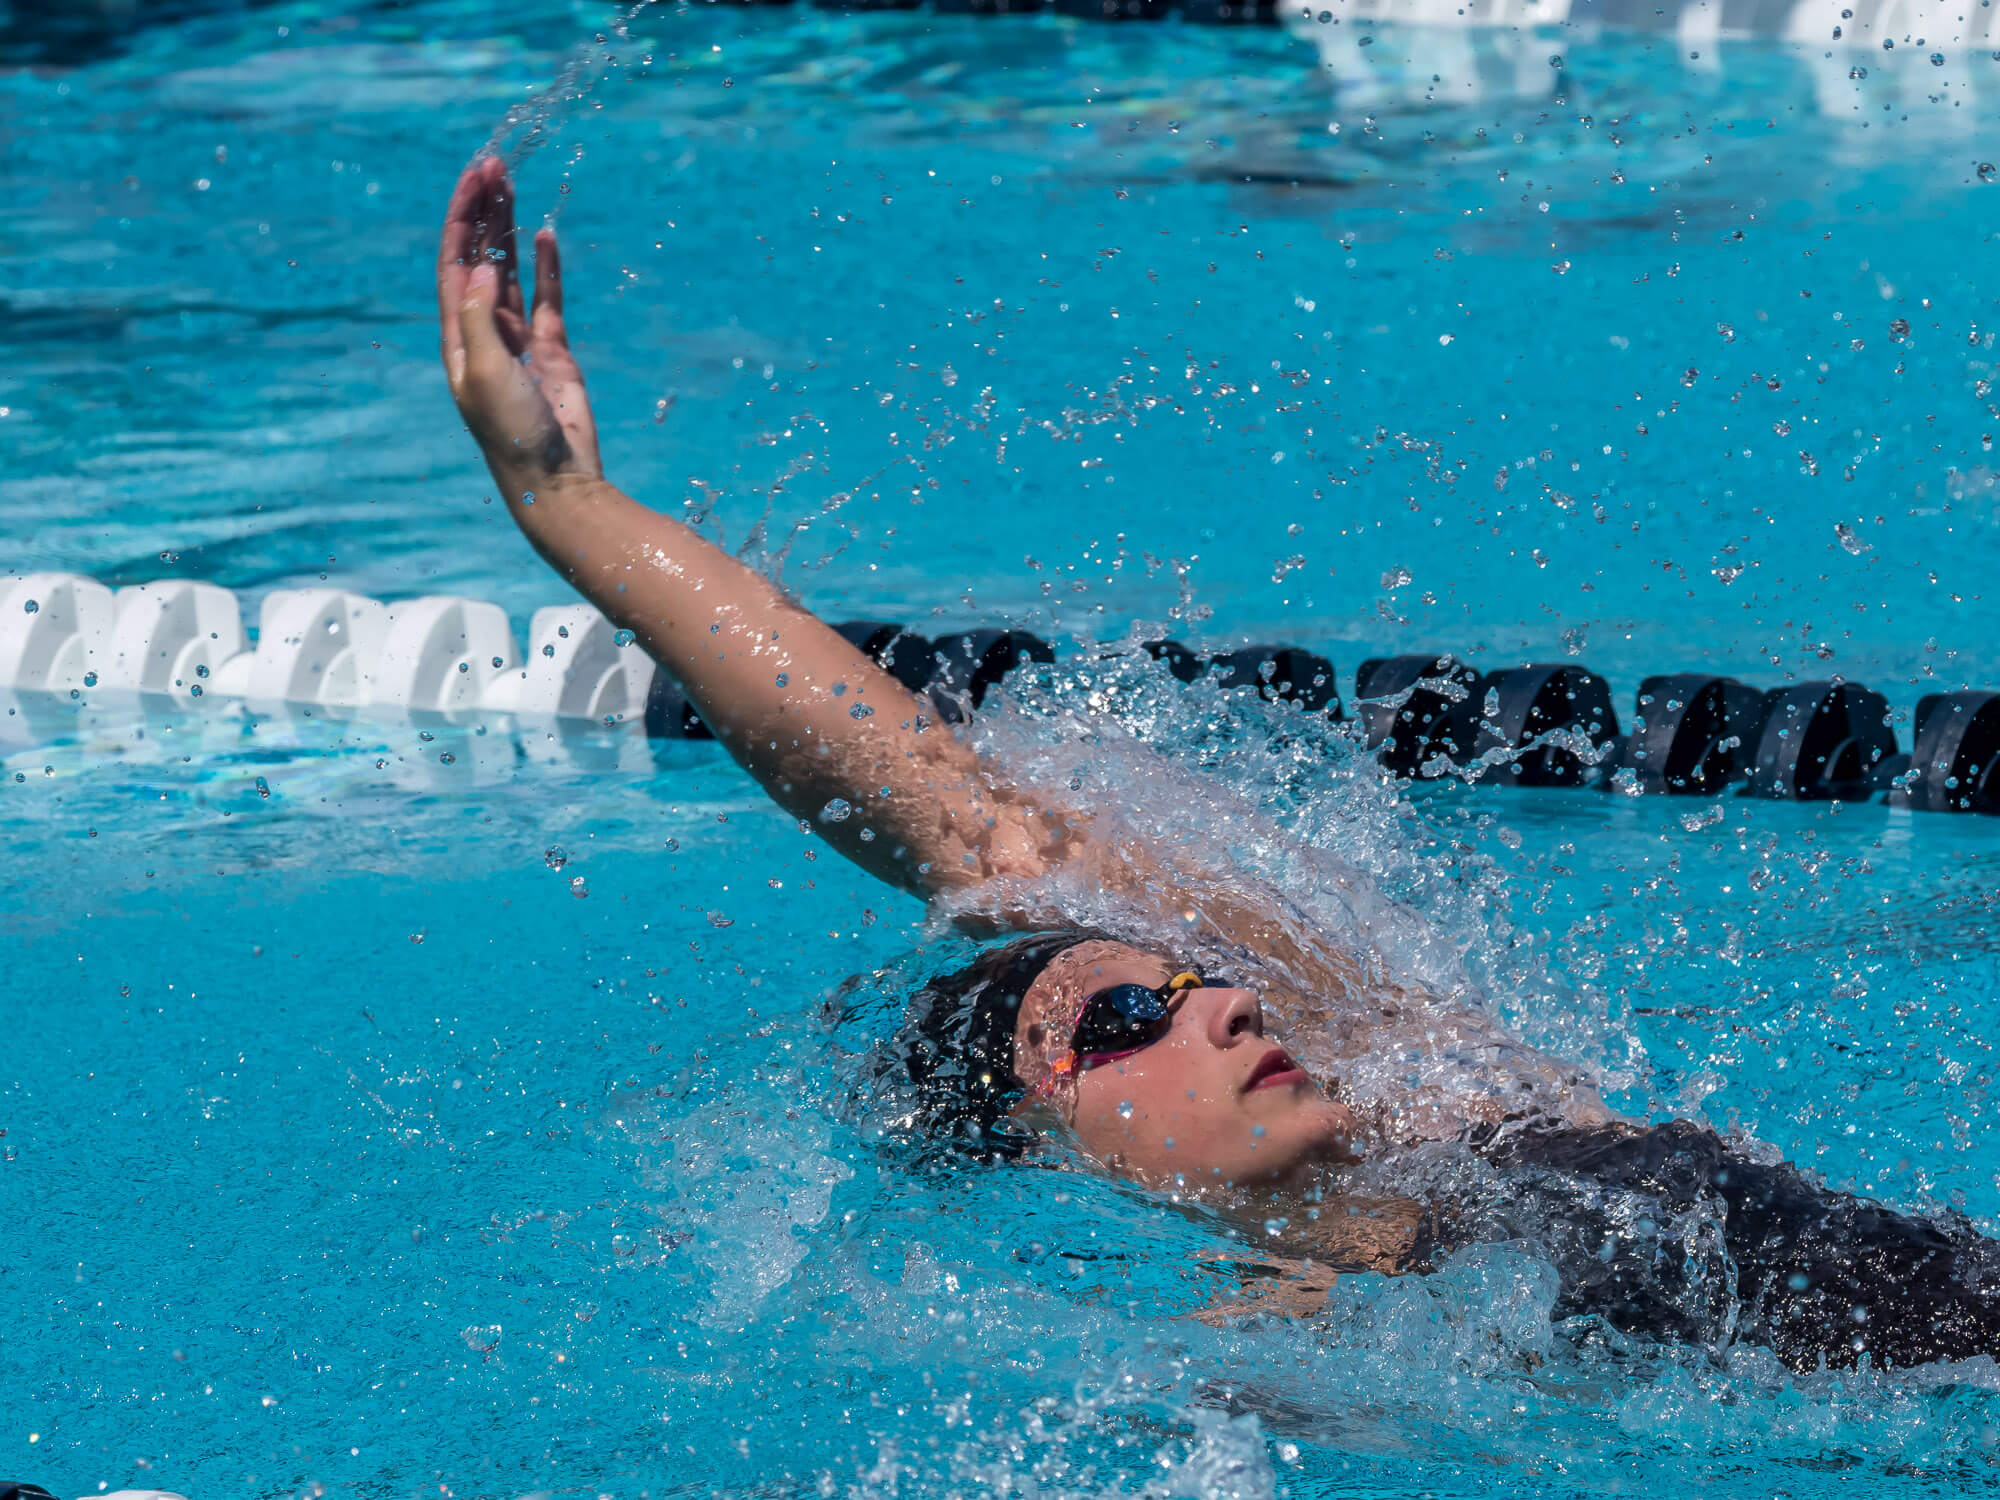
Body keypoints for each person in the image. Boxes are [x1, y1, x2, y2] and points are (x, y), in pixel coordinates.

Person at [437, 154, 2000, 1374]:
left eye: (1190, 981)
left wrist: (570, 507)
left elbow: (967, 826)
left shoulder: (1419, 1090)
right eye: (1129, 1017)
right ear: (1039, 1128)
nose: (1227, 1004)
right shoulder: (1276, 1365)